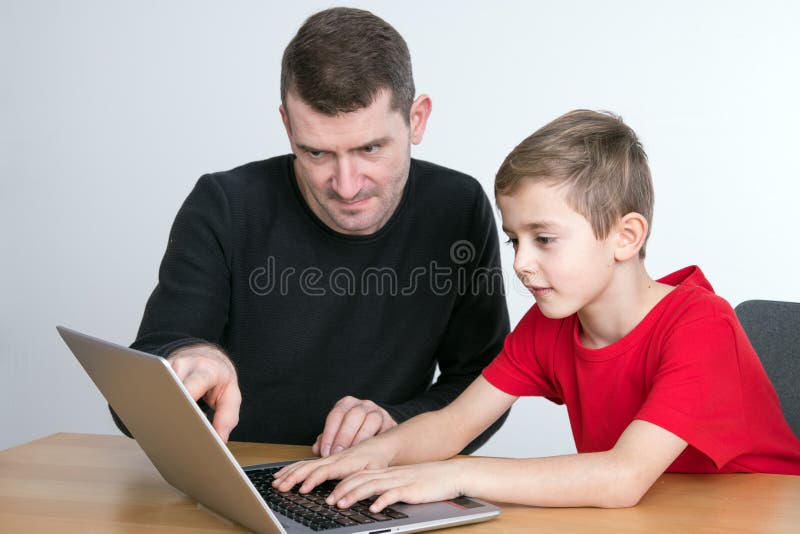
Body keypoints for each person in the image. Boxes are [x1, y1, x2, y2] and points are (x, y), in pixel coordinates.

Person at [271, 110, 800, 512]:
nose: (522, 264)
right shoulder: (550, 325)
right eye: (514, 239)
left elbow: (621, 478)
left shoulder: (700, 326)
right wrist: (376, 455)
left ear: (626, 236)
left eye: (544, 239)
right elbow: (453, 424)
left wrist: (456, 477)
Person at [118, 7, 509, 455]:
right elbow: (137, 391)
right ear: (287, 126)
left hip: (374, 481)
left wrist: (398, 424)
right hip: (239, 477)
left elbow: (486, 379)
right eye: (318, 153)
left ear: (416, 119)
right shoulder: (224, 205)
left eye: (370, 148)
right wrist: (188, 359)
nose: (347, 186)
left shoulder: (457, 207)